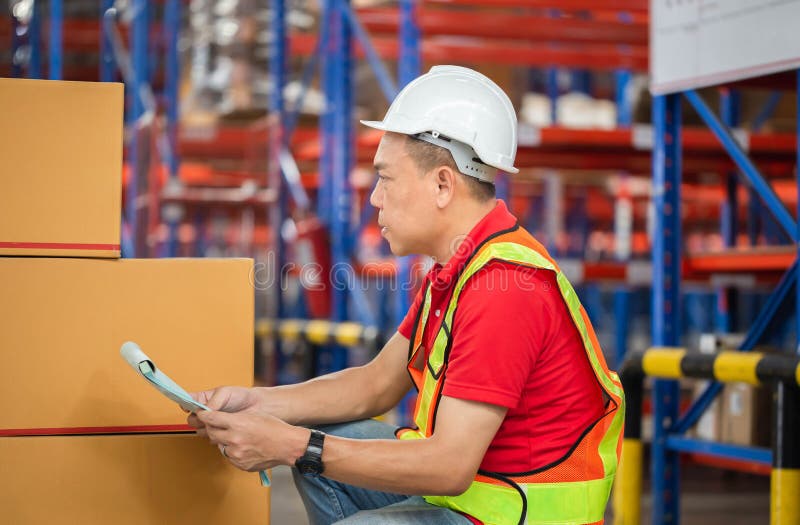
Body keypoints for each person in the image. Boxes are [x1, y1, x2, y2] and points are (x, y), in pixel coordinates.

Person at [189, 65, 624, 525]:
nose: (375, 198)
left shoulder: (506, 287)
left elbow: (448, 466)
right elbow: (376, 384)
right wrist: (259, 403)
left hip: (519, 515)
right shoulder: (457, 271)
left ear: (442, 185)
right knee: (324, 439)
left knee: (319, 460)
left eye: (386, 178)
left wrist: (290, 445)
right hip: (482, 498)